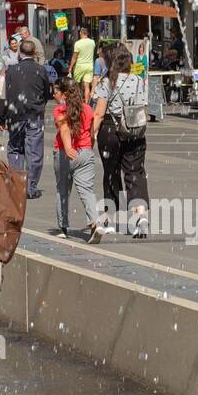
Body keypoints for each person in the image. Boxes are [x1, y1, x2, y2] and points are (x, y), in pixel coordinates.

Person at [92, 45, 150, 237]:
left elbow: (99, 113)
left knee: (111, 172)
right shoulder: (139, 81)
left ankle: (109, 218)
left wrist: (92, 134)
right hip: (134, 129)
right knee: (135, 172)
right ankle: (140, 214)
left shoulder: (107, 82)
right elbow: (143, 107)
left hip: (111, 130)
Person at [52, 76, 101, 242]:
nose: (54, 95)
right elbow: (92, 131)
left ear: (64, 94)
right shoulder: (87, 109)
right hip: (85, 152)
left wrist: (68, 147)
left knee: (63, 190)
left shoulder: (60, 110)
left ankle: (63, 227)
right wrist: (88, 148)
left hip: (65, 154)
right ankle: (95, 222)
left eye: (56, 92)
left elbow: (64, 129)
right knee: (86, 190)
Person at [3, 37, 51, 199]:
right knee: (35, 151)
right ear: (35, 52)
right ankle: (30, 187)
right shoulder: (41, 70)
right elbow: (47, 93)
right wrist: (40, 105)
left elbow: (6, 96)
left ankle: (18, 186)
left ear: (19, 52)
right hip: (34, 115)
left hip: (15, 115)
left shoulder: (11, 70)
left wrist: (2, 117)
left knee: (16, 149)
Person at [69, 26, 96, 103]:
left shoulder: (78, 43)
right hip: (89, 66)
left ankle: (77, 101)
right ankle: (86, 103)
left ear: (81, 33)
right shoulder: (92, 42)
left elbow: (74, 57)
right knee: (87, 86)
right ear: (87, 33)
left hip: (80, 66)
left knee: (76, 85)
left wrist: (70, 67)